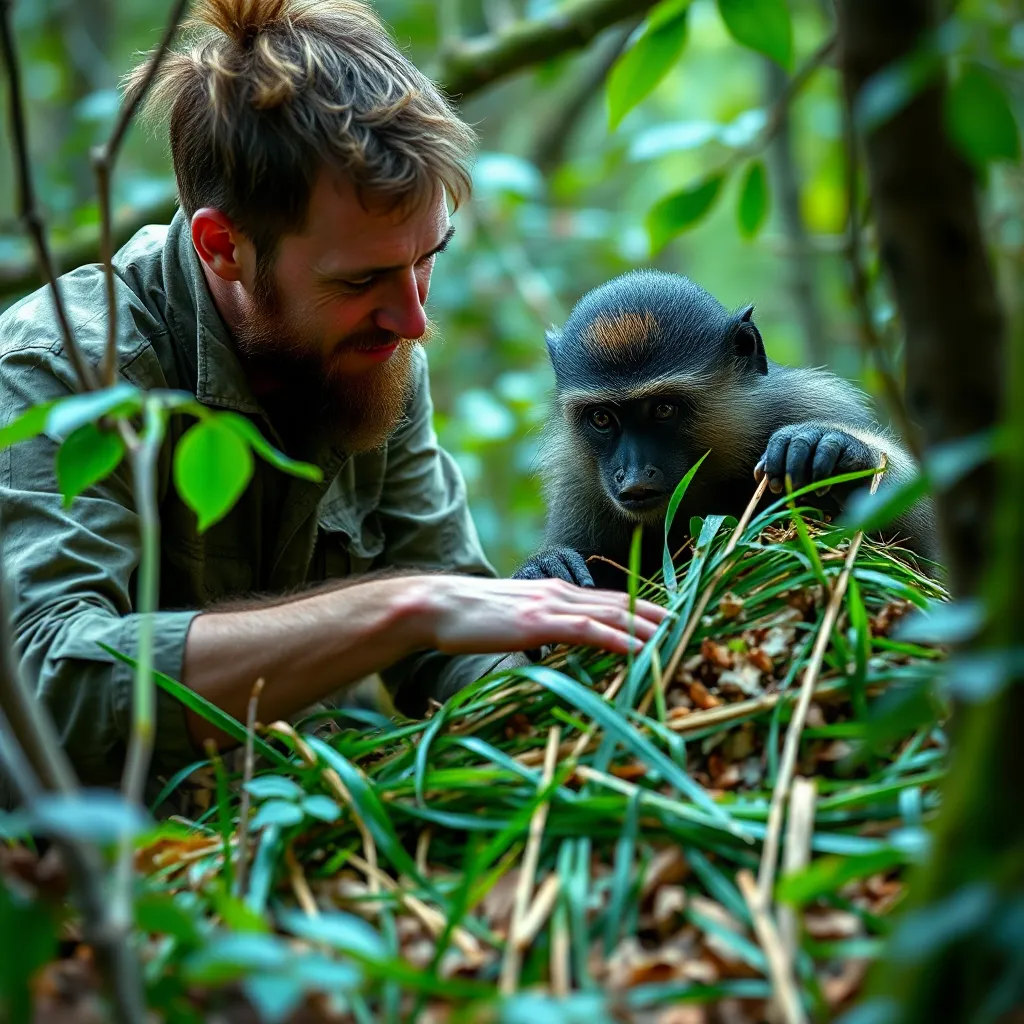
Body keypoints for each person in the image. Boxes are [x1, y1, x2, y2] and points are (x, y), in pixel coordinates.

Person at [0, 0, 666, 799]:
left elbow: (454, 646)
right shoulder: (62, 368)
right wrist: (396, 609)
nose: (414, 319)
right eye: (360, 280)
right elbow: (52, 695)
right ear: (224, 247)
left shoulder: (373, 349)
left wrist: (609, 701)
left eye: (428, 258)